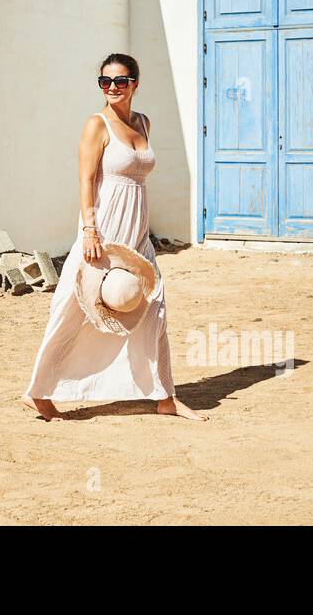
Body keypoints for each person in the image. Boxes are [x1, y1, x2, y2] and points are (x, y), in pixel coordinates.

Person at [21, 53, 207, 422]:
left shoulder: (144, 122)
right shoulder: (97, 125)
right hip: (103, 230)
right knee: (72, 308)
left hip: (137, 232)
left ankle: (165, 396)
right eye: (105, 82)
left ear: (135, 83)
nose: (112, 88)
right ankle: (38, 393)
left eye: (120, 81)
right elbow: (85, 180)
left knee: (154, 305)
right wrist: (89, 229)